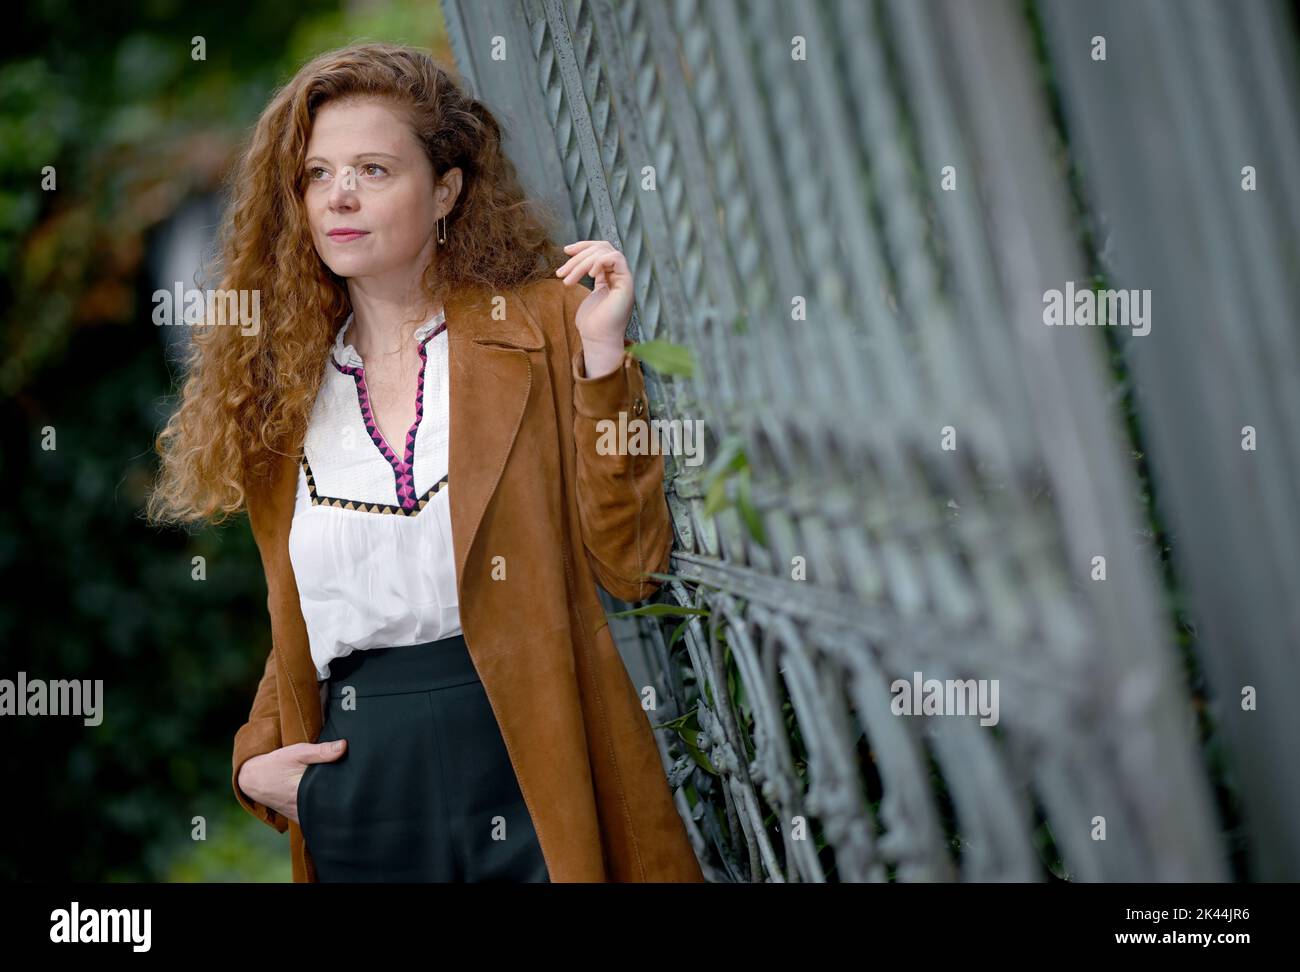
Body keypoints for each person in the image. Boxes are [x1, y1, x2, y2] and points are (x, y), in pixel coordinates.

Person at [146, 42, 705, 883]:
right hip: (363, 776)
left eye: (373, 169)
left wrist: (599, 360)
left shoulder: (542, 326)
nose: (339, 195)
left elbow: (629, 566)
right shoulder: (277, 389)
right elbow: (306, 614)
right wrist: (255, 763)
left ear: (445, 188)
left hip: (534, 747)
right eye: (316, 175)